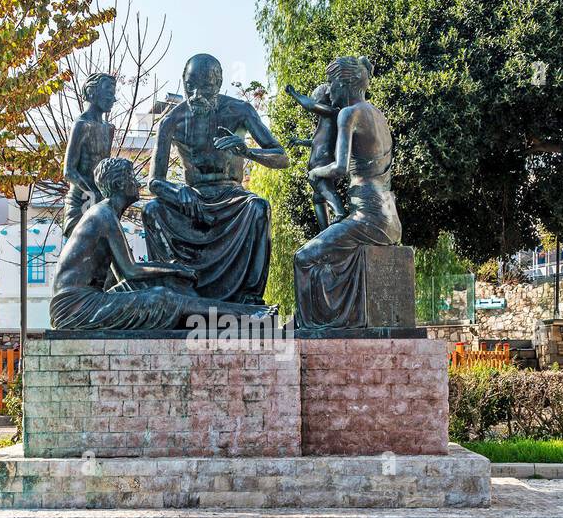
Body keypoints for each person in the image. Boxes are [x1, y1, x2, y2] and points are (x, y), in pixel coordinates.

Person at [50, 157, 278, 331]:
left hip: (88, 301)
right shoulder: (103, 216)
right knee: (162, 298)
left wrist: (166, 274)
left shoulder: (106, 214)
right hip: (76, 308)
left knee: (162, 284)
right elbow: (130, 270)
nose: (137, 183)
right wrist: (175, 268)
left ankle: (207, 318)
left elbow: (124, 277)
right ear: (120, 184)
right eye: (132, 178)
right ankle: (250, 315)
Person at [142, 53, 289, 305]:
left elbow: (281, 157)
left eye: (206, 86)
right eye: (191, 85)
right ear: (183, 81)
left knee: (258, 208)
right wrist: (178, 192)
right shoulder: (171, 121)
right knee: (152, 210)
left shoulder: (239, 110)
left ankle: (249, 296)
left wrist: (247, 151)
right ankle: (176, 289)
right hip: (193, 200)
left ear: (219, 83)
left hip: (232, 197)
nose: (197, 93)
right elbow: (154, 181)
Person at [293, 56, 403, 330]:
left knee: (304, 259)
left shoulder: (348, 113)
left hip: (368, 218)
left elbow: (340, 167)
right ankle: (345, 317)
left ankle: (322, 324)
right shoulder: (377, 114)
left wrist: (316, 173)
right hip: (390, 219)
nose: (329, 91)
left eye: (332, 84)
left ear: (345, 83)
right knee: (331, 252)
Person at [61, 72, 117, 237]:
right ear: (92, 92)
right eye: (108, 92)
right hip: (80, 202)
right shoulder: (81, 125)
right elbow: (69, 171)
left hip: (100, 201)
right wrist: (93, 192)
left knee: (103, 256)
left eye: (113, 94)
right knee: (78, 255)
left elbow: (104, 169)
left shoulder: (109, 129)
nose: (112, 98)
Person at [285, 82, 346, 230]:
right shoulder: (324, 119)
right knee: (318, 196)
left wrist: (294, 94)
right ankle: (324, 230)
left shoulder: (331, 112)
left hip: (324, 164)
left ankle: (340, 213)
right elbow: (316, 142)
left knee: (324, 187)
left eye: (316, 98)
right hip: (318, 164)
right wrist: (300, 141)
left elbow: (310, 105)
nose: (314, 101)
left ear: (324, 97)